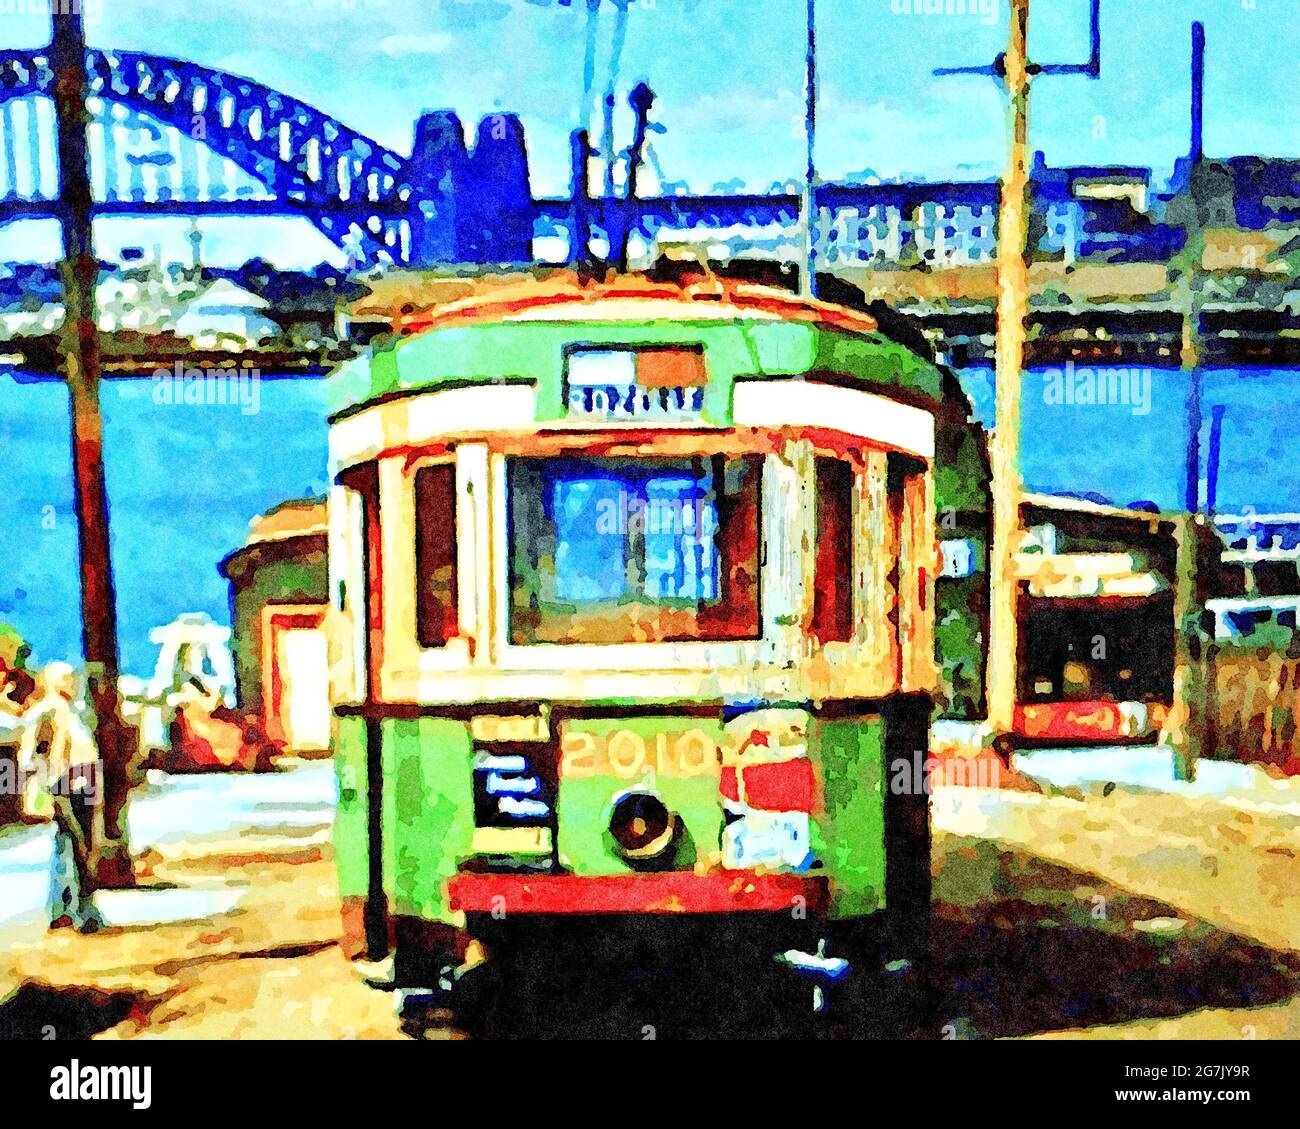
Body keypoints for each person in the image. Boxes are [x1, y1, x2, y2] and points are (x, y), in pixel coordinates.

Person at [21, 662, 104, 932]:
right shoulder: (49, 713)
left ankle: (64, 910)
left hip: (81, 786)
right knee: (77, 849)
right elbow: (33, 755)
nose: (73, 683)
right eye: (68, 679)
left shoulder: (70, 712)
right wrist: (51, 779)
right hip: (66, 787)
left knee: (70, 848)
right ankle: (81, 911)